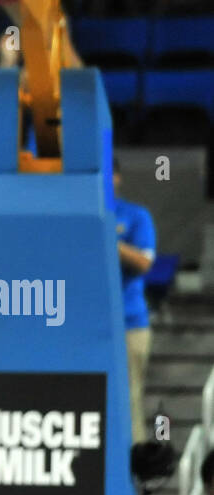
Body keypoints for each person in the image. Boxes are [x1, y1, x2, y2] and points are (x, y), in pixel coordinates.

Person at [112, 159, 157, 446]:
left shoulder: (135, 216)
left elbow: (144, 262)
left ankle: (133, 479)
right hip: (89, 327)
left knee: (129, 399)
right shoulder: (77, 215)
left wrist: (108, 240)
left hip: (130, 325)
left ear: (117, 178)